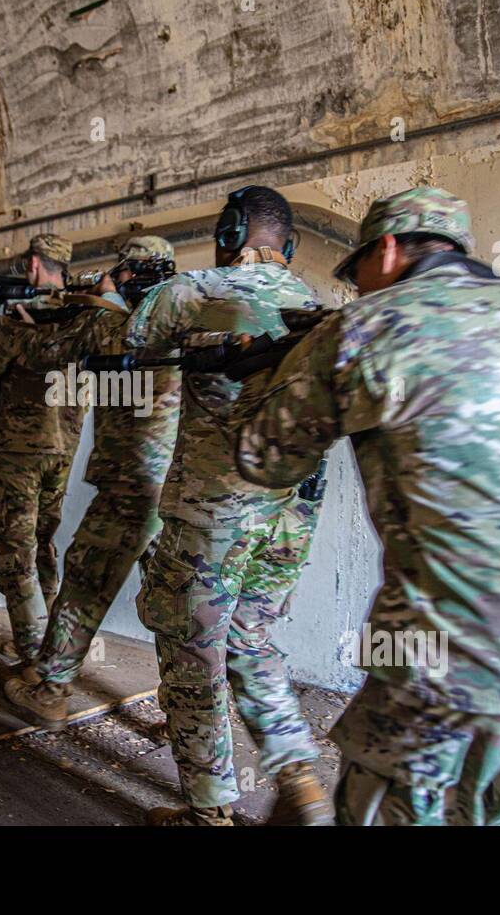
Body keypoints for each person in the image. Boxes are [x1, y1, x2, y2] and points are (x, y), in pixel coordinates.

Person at [235, 185, 500, 825]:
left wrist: (282, 367)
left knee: (383, 809)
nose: (358, 291)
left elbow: (263, 460)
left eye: (359, 277)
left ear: (384, 249)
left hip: (451, 651)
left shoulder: (368, 324)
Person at [123, 186, 333, 826]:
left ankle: (208, 812)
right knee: (252, 640)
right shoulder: (318, 306)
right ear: (288, 245)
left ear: (229, 233)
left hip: (212, 517)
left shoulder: (197, 289)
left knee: (194, 657)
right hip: (291, 518)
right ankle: (299, 774)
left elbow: (136, 335)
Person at [2, 236, 182, 728]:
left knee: (82, 585)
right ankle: (184, 711)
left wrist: (26, 322)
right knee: (171, 602)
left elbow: (47, 351)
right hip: (173, 487)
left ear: (127, 275)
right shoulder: (182, 318)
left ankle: (51, 690)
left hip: (127, 484)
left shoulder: (106, 322)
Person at [0, 235, 87, 662]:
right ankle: (51, 640)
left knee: (14, 548)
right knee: (43, 541)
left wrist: (5, 329)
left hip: (21, 450)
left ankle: (33, 650)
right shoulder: (87, 313)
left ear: (34, 265)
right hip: (64, 448)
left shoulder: (17, 321)